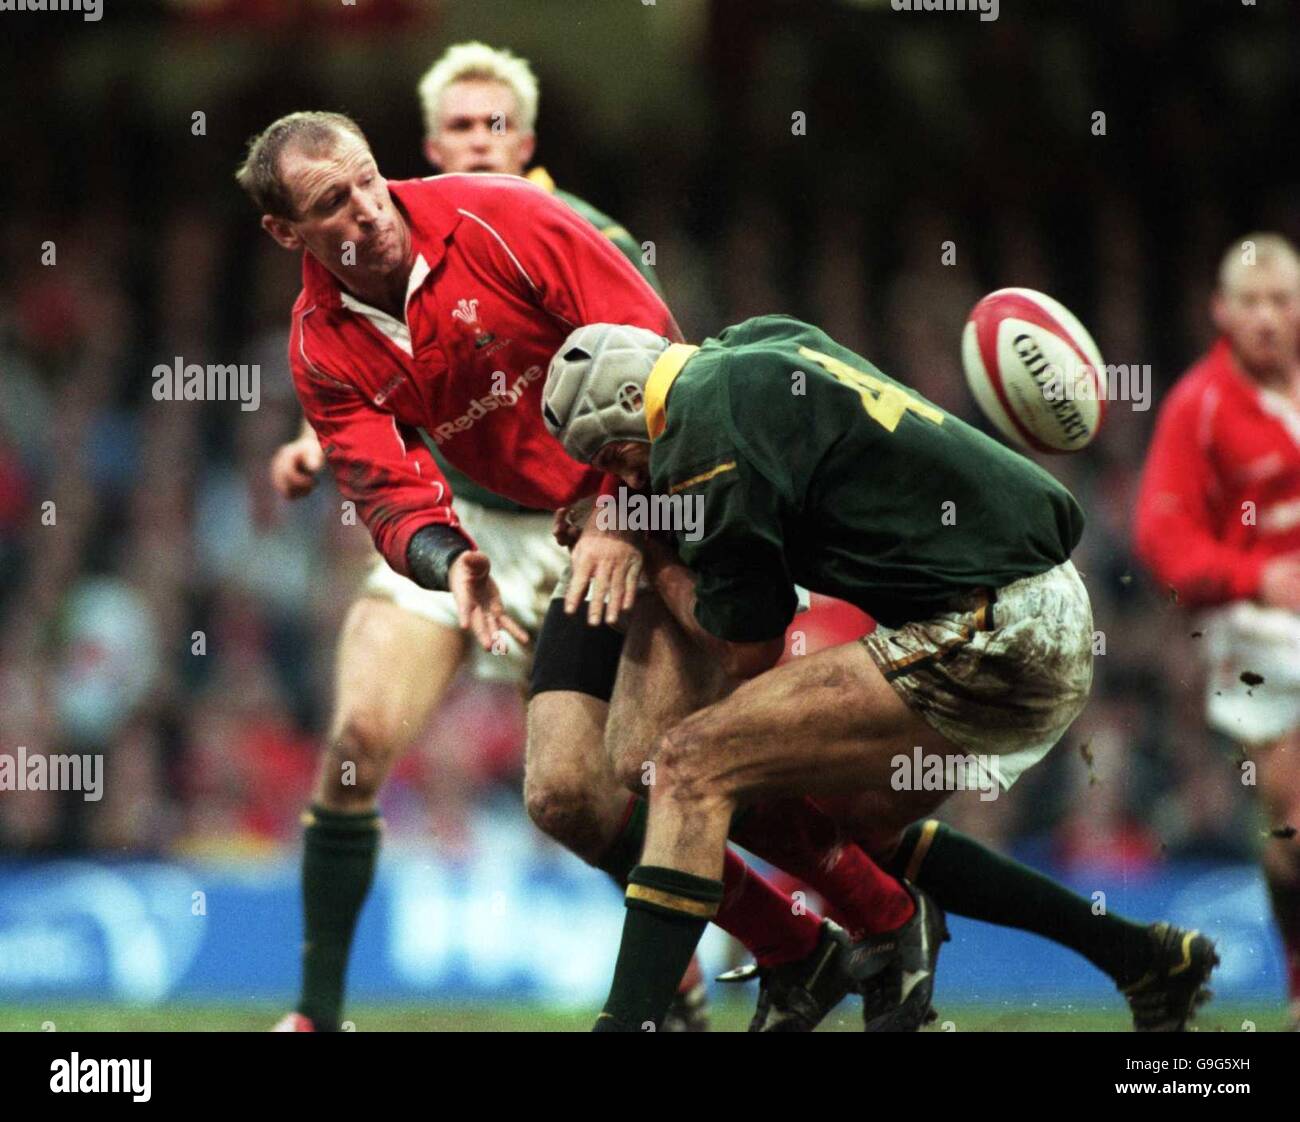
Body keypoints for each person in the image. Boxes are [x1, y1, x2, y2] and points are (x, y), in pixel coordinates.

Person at [240, 110, 943, 1035]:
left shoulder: (498, 219)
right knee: (568, 797)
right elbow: (385, 491)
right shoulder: (321, 346)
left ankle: (889, 918)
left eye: (369, 179)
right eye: (334, 202)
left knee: (694, 761)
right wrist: (447, 560)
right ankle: (800, 948)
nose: (367, 208)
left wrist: (623, 506)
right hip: (582, 540)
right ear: (287, 232)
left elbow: (660, 349)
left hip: (682, 500)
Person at [542, 315, 1217, 1032]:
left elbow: (744, 647)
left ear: (619, 442)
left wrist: (647, 548)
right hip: (1032, 605)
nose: (632, 485)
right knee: (852, 823)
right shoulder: (757, 342)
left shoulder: (706, 441)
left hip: (995, 624)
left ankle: (638, 1019)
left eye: (623, 470)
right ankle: (1140, 955)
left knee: (686, 764)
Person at [264, 42, 708, 1033]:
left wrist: (623, 514)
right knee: (354, 744)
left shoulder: (557, 229)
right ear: (428, 143)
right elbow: (375, 391)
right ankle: (314, 1014)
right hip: (457, 525)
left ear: (527, 141)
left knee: (585, 791)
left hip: (595, 518)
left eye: (493, 125)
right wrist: (317, 445)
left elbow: (653, 360)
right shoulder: (349, 292)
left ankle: (699, 962)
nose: (476, 140)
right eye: (459, 127)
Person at [1135, 232, 1300, 1031]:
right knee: (1292, 828)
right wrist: (1256, 577)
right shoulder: (1198, 407)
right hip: (1257, 635)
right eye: (1252, 302)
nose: (1267, 317)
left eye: (1282, 301)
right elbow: (1161, 539)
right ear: (1221, 312)